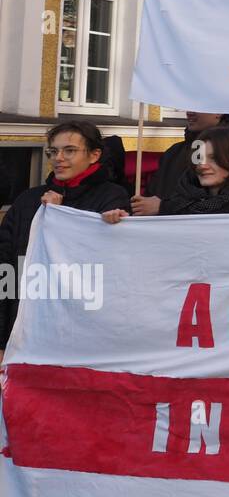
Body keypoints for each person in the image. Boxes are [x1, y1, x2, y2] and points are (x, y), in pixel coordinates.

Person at [1, 121, 132, 351]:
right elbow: (6, 267)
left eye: (69, 150)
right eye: (53, 151)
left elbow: (103, 266)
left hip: (80, 330)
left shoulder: (113, 198)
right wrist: (2, 337)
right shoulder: (28, 200)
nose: (59, 157)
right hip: (26, 325)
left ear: (94, 155)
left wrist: (60, 215)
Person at [103, 126, 229, 221]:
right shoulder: (172, 203)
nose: (202, 165)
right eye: (200, 158)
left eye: (214, 158)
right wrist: (120, 224)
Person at [132, 112, 229, 216]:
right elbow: (154, 193)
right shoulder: (174, 152)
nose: (189, 113)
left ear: (218, 113)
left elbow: (221, 204)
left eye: (213, 158)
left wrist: (164, 207)